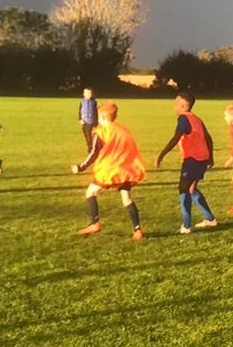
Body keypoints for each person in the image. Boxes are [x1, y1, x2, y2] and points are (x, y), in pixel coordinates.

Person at [72, 101, 146, 239]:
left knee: (90, 192)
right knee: (127, 198)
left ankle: (95, 223)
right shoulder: (124, 130)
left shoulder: (101, 132)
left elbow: (94, 153)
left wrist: (81, 167)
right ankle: (137, 230)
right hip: (125, 171)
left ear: (103, 117)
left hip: (108, 171)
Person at [156, 92, 217, 234]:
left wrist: (161, 155)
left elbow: (176, 138)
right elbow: (209, 138)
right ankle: (210, 219)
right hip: (202, 158)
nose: (174, 105)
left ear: (183, 105)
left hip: (193, 159)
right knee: (192, 189)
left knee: (183, 189)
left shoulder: (183, 118)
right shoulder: (196, 118)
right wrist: (211, 156)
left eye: (176, 102)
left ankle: (186, 226)